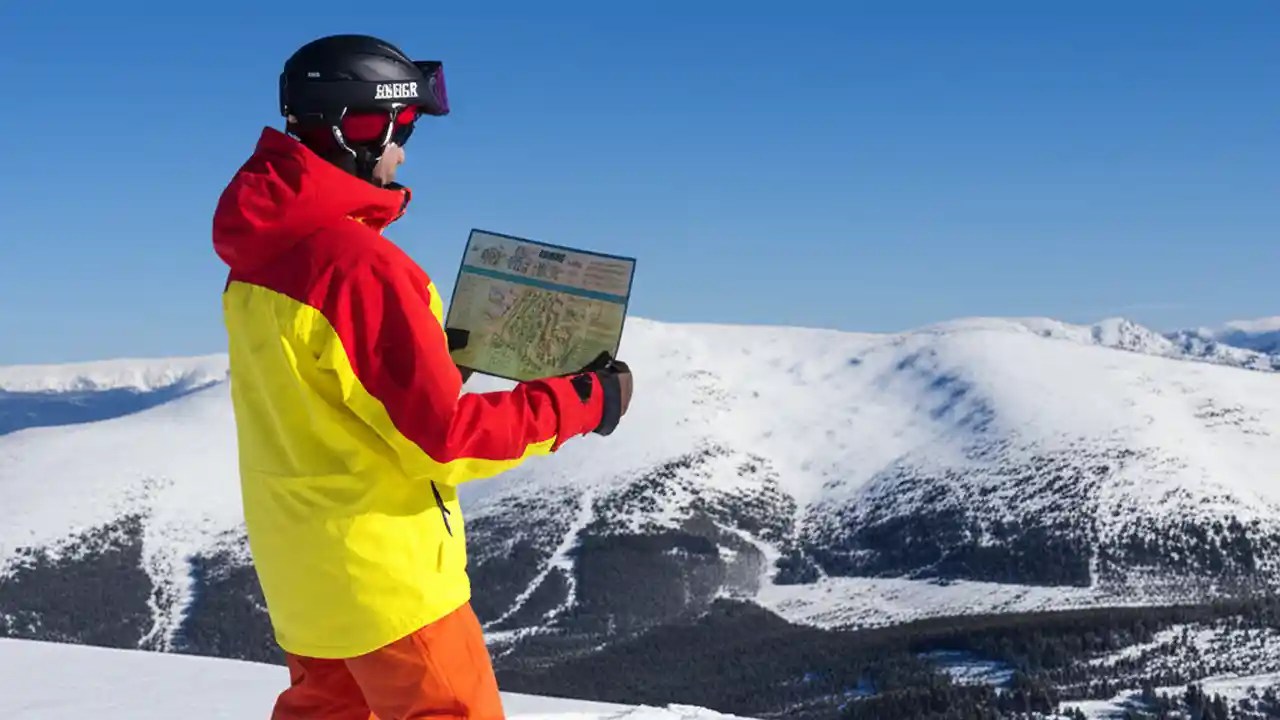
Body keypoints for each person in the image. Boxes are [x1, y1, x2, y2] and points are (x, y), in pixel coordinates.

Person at [211, 34, 633, 720]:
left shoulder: (257, 261)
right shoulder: (358, 266)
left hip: (307, 583)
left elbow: (327, 399)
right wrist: (584, 403)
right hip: (391, 587)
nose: (404, 152)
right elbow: (447, 439)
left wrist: (435, 363)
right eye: (401, 129)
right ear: (359, 126)